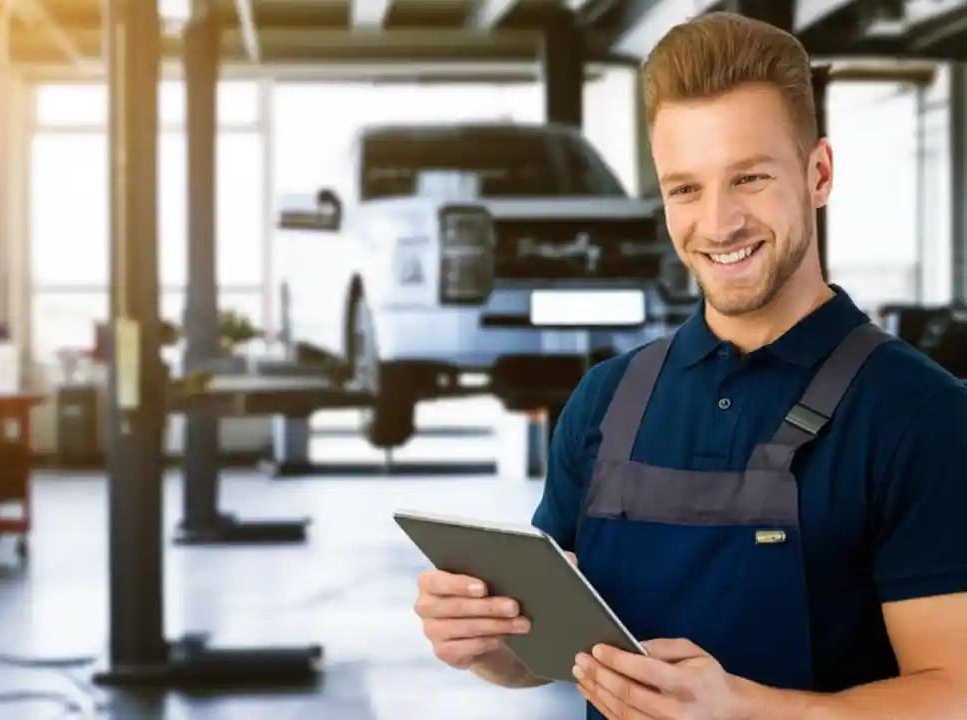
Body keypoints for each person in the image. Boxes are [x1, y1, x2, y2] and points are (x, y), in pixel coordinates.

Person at [413, 11, 967, 719]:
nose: (718, 223)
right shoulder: (606, 402)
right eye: (685, 188)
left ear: (818, 173)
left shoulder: (921, 415)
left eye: (750, 178)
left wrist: (744, 709)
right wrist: (487, 643)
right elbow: (556, 649)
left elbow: (953, 694)